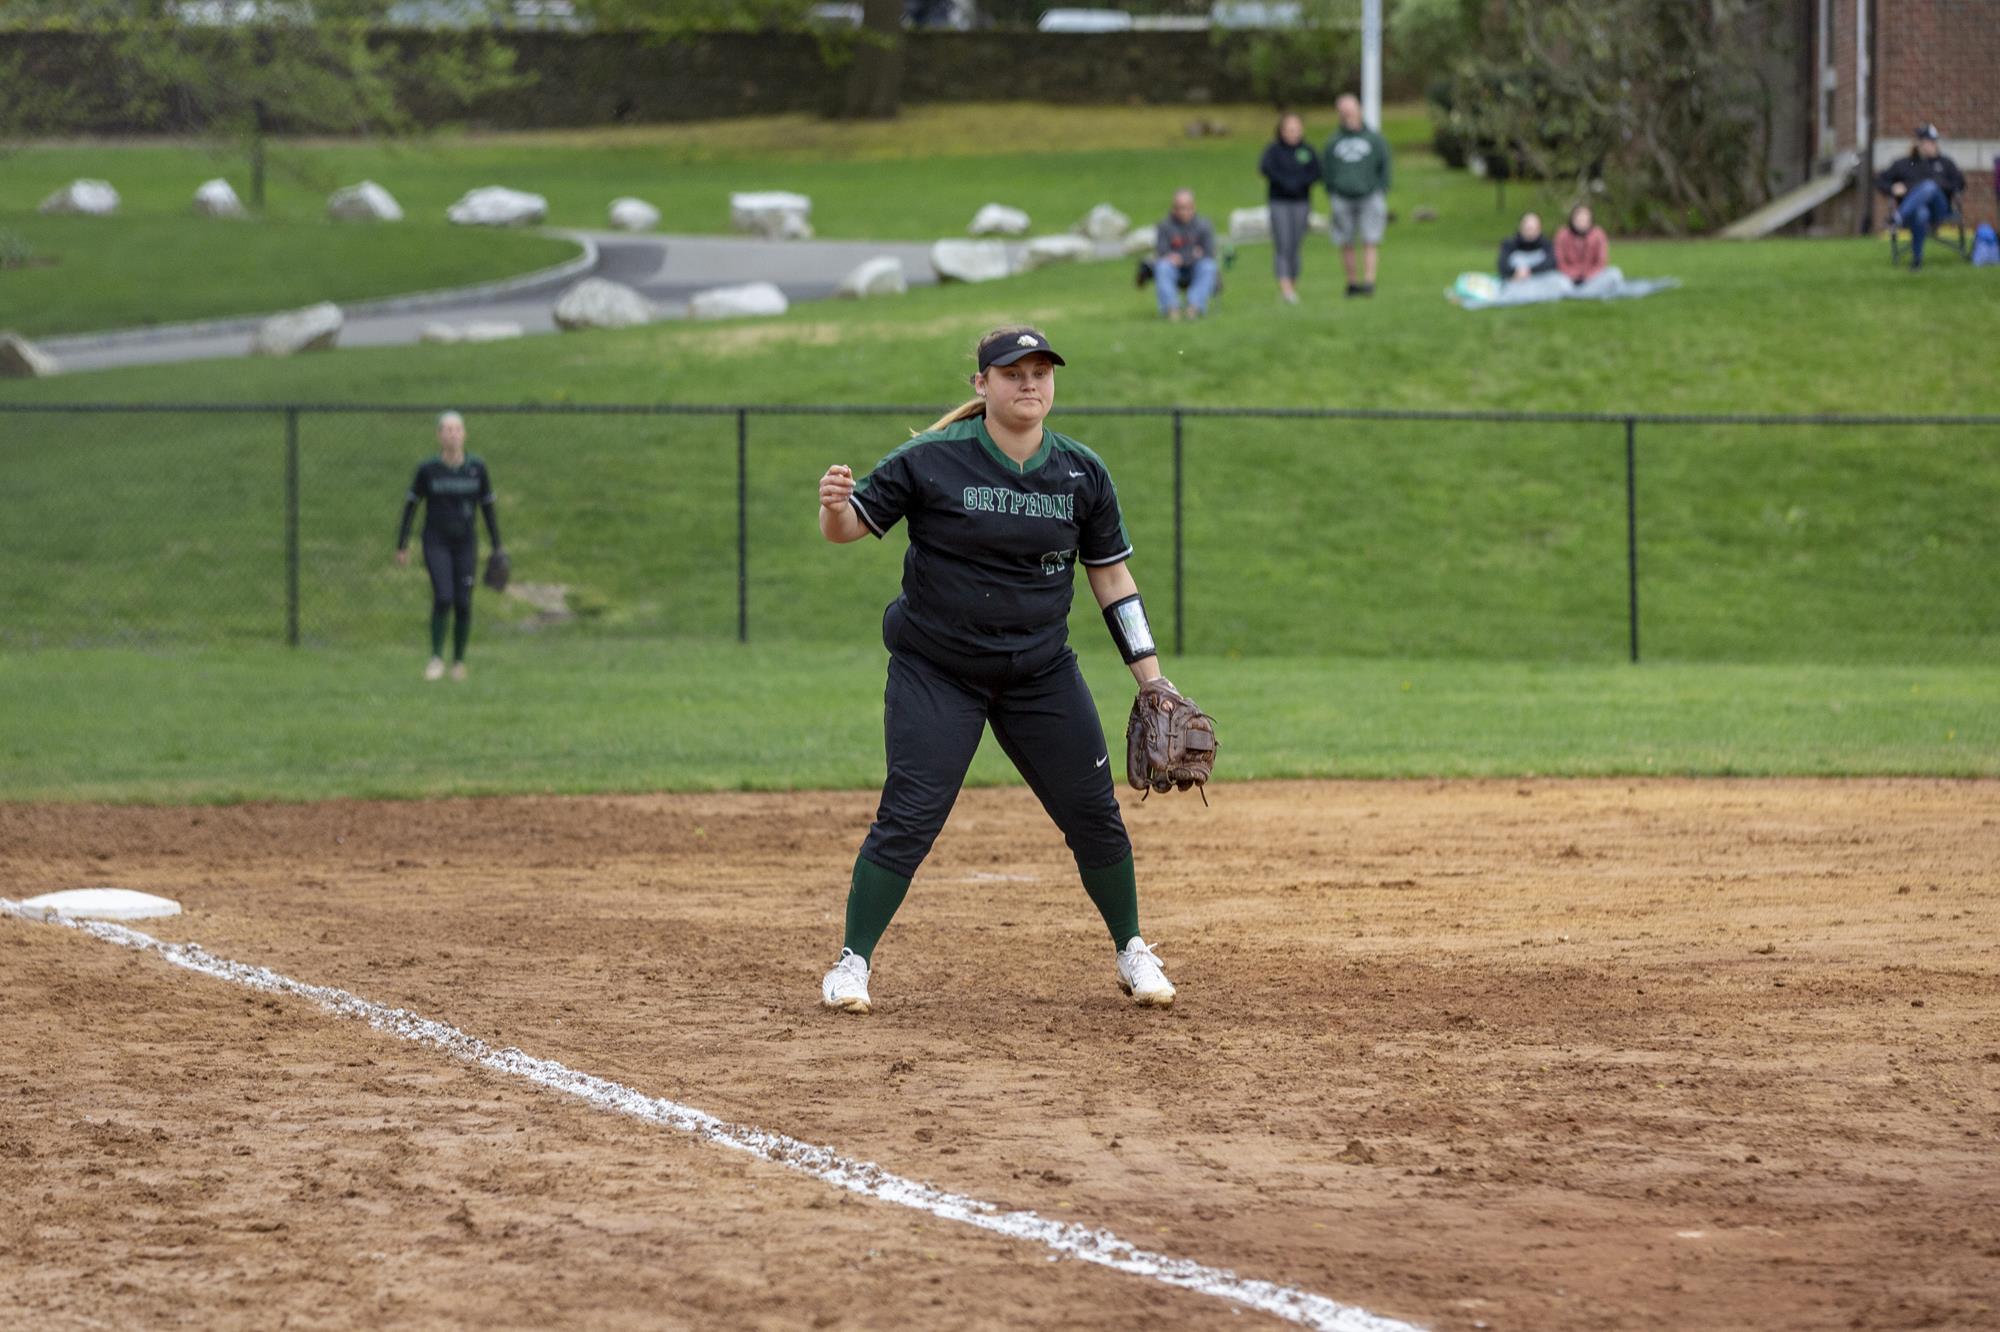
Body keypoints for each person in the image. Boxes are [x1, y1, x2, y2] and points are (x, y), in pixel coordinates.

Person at [813, 325, 1179, 1015]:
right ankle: (851, 963)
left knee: (1093, 813)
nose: (1029, 383)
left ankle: (1132, 948)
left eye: (1041, 371)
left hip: (1039, 671)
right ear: (983, 385)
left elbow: (1112, 579)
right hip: (937, 670)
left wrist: (1151, 677)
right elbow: (849, 528)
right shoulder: (931, 459)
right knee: (911, 813)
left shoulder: (1081, 473)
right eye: (1013, 373)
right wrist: (834, 508)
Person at [395, 411, 501, 681]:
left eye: (457, 429)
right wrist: (402, 544)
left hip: (465, 542)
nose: (453, 435)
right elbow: (411, 506)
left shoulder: (477, 468)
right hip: (436, 541)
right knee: (443, 596)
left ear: (464, 434)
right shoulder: (428, 470)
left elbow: (488, 508)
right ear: (439, 436)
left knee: (463, 601)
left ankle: (458, 662)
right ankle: (435, 658)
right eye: (448, 430)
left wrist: (497, 545)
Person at [1321, 92, 1390, 297]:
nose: (1347, 114)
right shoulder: (1333, 141)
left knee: (1370, 239)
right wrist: (1332, 189)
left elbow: (1384, 166)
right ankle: (1351, 283)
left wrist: (1381, 188)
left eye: (1350, 110)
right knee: (1346, 241)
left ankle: (1369, 282)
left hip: (1370, 195)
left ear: (1359, 110)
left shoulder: (1374, 139)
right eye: (1343, 111)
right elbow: (1327, 169)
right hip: (1342, 197)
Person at [1875, 124, 1966, 269]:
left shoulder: (1945, 163)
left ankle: (1897, 218)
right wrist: (1892, 188)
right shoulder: (1903, 164)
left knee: (1929, 186)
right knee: (1921, 212)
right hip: (1915, 213)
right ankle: (1917, 261)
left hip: (1940, 210)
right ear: (1918, 143)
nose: (1932, 145)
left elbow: (1959, 184)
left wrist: (1938, 185)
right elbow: (1880, 181)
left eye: (1934, 142)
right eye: (1927, 142)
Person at [1259, 113, 1320, 304]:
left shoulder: (1307, 151)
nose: (1293, 133)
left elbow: (1316, 171)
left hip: (1301, 202)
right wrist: (1286, 183)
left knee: (1295, 245)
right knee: (1283, 244)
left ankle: (1291, 287)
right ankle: (1285, 288)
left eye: (1296, 129)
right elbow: (1266, 169)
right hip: (1280, 201)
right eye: (1289, 129)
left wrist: (1300, 183)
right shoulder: (1274, 151)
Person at [1152, 189, 1220, 320]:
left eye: (1187, 208)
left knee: (1208, 266)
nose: (1183, 212)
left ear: (1193, 207)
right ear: (1173, 208)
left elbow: (1209, 251)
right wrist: (1191, 254)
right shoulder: (1164, 226)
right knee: (1162, 267)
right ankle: (1172, 308)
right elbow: (1161, 251)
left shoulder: (1204, 225)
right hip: (1174, 269)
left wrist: (1183, 257)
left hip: (1196, 268)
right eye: (1180, 208)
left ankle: (1194, 306)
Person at [1555, 203, 1609, 285]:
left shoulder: (1598, 234)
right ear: (1572, 219)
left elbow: (1601, 262)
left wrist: (1588, 275)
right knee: (1554, 277)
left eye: (1585, 219)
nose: (1582, 221)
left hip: (1593, 278)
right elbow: (1559, 261)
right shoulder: (1562, 234)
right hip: (1567, 278)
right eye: (1579, 219)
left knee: (1614, 274)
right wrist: (1573, 274)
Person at [1497, 211, 1558, 281]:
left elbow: (1551, 263)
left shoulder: (1546, 244)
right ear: (1521, 227)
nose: (1531, 233)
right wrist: (1516, 272)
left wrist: (1529, 271)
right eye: (1528, 229)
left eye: (1534, 229)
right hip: (1515, 281)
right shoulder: (1509, 244)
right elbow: (1503, 265)